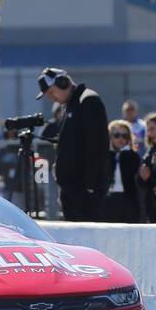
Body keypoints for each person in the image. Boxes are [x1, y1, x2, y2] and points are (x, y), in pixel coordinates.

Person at [35, 68, 109, 221]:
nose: (51, 98)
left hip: (85, 190)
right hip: (71, 189)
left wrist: (91, 186)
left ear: (63, 83)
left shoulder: (88, 100)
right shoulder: (70, 105)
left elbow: (96, 145)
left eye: (51, 92)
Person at [102, 119, 143, 222]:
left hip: (127, 199)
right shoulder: (105, 155)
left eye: (124, 136)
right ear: (110, 136)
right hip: (108, 199)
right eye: (116, 135)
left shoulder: (133, 156)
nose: (120, 139)